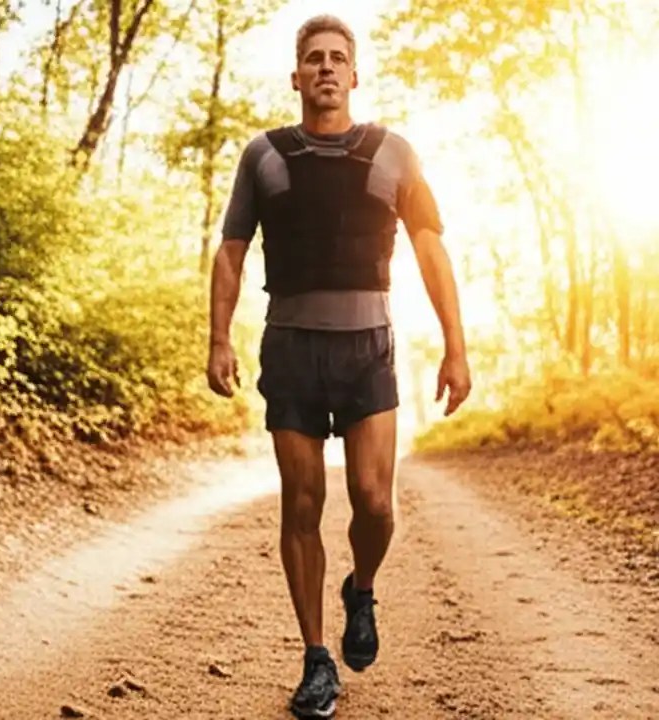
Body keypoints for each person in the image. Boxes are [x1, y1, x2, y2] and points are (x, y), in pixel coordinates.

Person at [206, 13, 471, 719]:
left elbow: (431, 249)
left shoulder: (393, 154)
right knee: (301, 504)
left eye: (337, 59)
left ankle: (362, 587)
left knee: (375, 503)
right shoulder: (263, 156)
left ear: (355, 75)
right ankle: (317, 660)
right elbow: (231, 250)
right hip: (291, 348)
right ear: (297, 77)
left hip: (367, 350)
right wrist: (218, 338)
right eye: (314, 59)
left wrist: (456, 345)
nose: (326, 68)